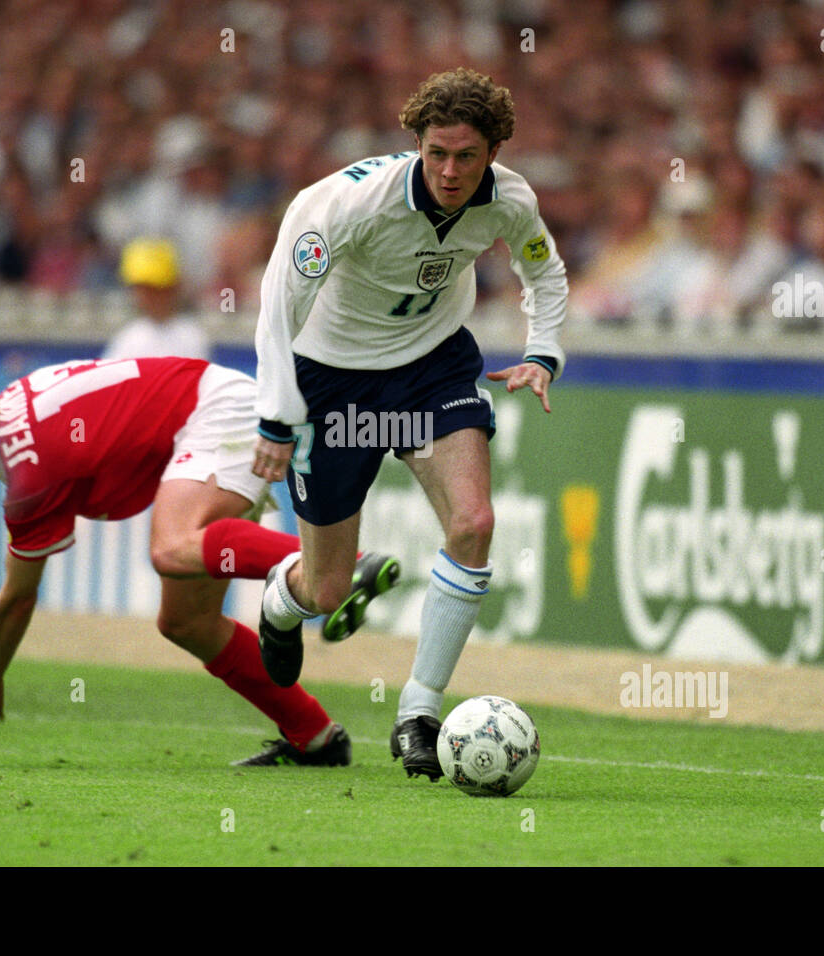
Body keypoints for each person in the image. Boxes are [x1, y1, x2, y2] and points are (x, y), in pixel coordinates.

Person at [250, 68, 567, 781]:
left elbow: (543, 272)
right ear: (416, 146)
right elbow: (277, 305)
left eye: (467, 156)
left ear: (493, 153)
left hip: (431, 367)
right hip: (331, 380)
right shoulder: (345, 204)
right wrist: (277, 415)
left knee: (475, 522)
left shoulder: (510, 200)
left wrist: (544, 351)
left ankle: (418, 715)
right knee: (328, 591)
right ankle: (281, 599)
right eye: (436, 154)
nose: (450, 171)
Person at [0, 357, 395, 766]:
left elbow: (18, 598)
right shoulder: (8, 416)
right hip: (206, 410)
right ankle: (316, 737)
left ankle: (344, 564)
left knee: (172, 547)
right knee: (185, 621)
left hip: (214, 413)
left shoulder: (27, 474)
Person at [102, 238, 211, 361]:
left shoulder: (192, 337)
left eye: (154, 289)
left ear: (173, 288)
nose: (146, 297)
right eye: (141, 289)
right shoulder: (128, 338)